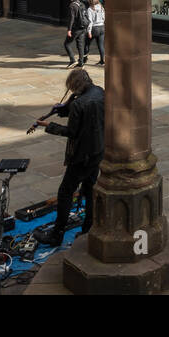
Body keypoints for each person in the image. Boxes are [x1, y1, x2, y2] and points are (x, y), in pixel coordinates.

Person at [36, 67, 105, 245]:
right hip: (98, 150)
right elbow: (84, 113)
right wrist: (64, 108)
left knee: (65, 192)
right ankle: (88, 228)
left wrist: (48, 125)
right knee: (89, 189)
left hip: (81, 155)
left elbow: (72, 131)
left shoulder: (78, 103)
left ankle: (57, 234)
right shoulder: (99, 92)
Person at [64, 0, 89, 68]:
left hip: (76, 29)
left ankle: (72, 60)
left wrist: (69, 30)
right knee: (80, 46)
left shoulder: (72, 6)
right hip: (83, 28)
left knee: (67, 44)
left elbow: (72, 19)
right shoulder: (82, 4)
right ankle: (81, 63)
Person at [86, 0, 106, 65]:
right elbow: (104, 18)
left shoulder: (90, 9)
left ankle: (84, 59)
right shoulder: (101, 7)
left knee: (87, 44)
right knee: (101, 45)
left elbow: (90, 21)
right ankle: (102, 61)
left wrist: (89, 32)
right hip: (102, 27)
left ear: (90, 1)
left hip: (94, 28)